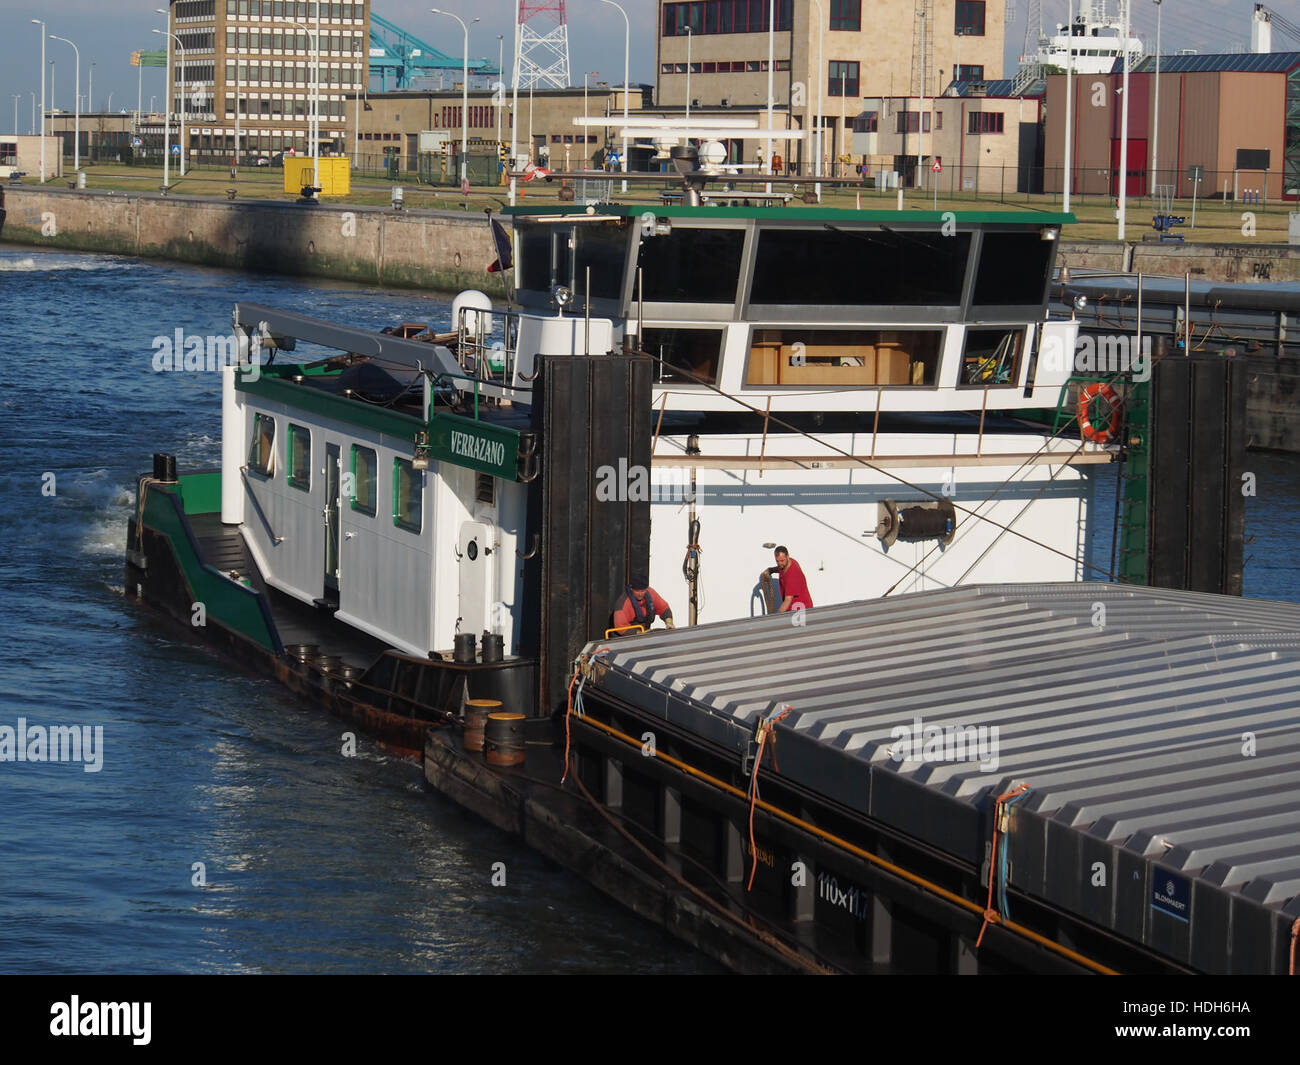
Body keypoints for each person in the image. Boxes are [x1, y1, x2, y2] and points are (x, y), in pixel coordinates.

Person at [766, 546, 812, 612]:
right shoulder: (787, 563)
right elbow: (780, 567)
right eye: (777, 561)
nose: (779, 564)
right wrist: (771, 570)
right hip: (793, 609)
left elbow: (787, 601)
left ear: (787, 556)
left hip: (801, 611)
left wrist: (775, 618)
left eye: (782, 561)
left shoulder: (793, 574)